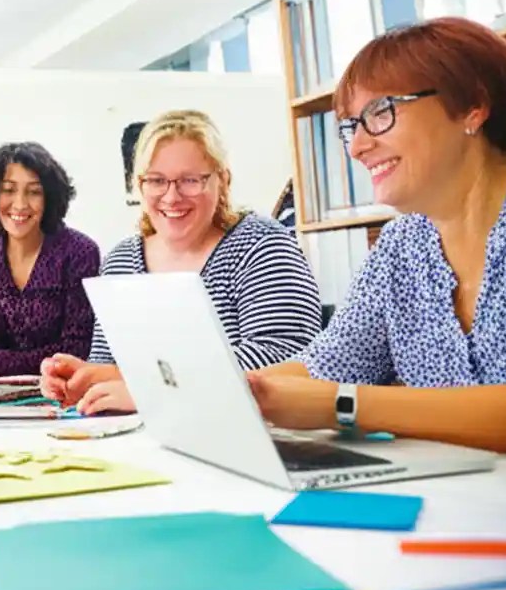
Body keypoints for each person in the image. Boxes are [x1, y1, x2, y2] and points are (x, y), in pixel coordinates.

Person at [249, 17, 506, 456]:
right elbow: (325, 368)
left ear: (472, 107)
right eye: (351, 125)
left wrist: (345, 405)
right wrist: (233, 392)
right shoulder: (401, 245)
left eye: (381, 113)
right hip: (468, 501)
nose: (356, 147)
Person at [40, 109, 322, 415]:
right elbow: (108, 368)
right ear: (140, 185)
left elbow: (284, 357)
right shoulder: (120, 261)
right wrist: (80, 379)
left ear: (223, 181)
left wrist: (147, 386)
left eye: (190, 180)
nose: (172, 197)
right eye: (156, 180)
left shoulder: (263, 245)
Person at [0, 142, 100, 380]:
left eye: (34, 192)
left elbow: (77, 348)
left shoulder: (80, 252)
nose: (20, 204)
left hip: (65, 391)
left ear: (49, 197)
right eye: (8, 190)